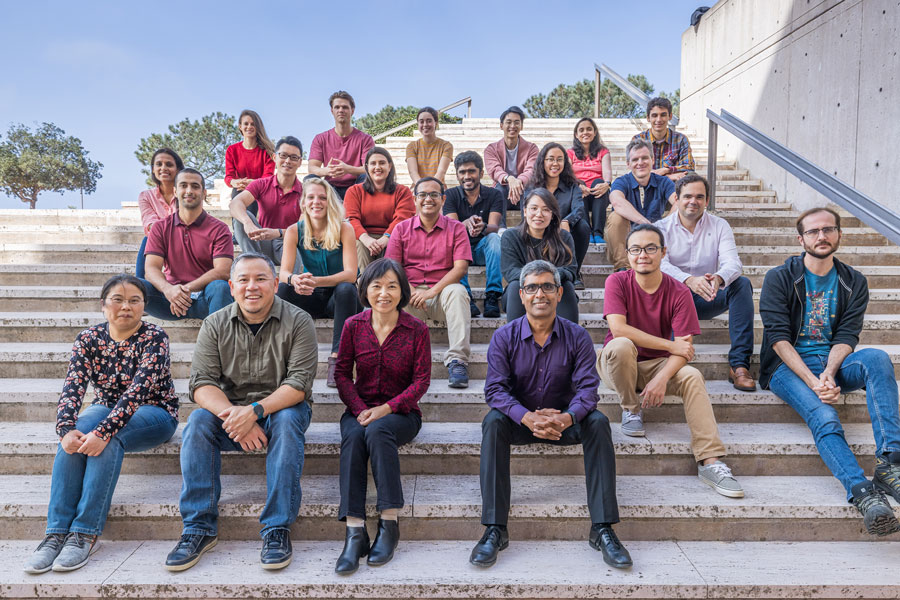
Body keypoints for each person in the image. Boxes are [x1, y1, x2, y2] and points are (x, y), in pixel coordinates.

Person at [471, 260, 631, 569]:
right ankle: (494, 529)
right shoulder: (503, 338)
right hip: (520, 423)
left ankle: (603, 529)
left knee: (598, 422)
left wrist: (567, 418)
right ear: (521, 295)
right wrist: (527, 417)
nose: (539, 294)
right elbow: (495, 391)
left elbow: (588, 391)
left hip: (564, 423)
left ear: (559, 293)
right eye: (531, 287)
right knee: (492, 422)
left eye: (547, 286)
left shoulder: (578, 337)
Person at [165, 252, 318, 571]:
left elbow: (299, 384)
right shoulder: (215, 323)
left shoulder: (298, 321)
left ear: (276, 284)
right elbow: (201, 383)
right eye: (244, 280)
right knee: (197, 421)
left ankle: (277, 528)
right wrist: (238, 417)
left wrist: (255, 411)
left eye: (261, 279)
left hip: (281, 409)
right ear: (231, 287)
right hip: (231, 414)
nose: (252, 286)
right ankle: (198, 528)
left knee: (289, 419)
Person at [760, 207, 900, 537]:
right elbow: (778, 338)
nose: (821, 236)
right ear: (801, 239)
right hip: (786, 368)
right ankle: (863, 493)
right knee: (824, 417)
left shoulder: (853, 281)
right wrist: (814, 382)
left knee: (877, 359)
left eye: (828, 229)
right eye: (813, 231)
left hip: (831, 363)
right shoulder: (779, 277)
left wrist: (829, 372)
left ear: (839, 234)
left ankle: (890, 464)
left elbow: (847, 336)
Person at [24, 275, 178, 574]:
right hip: (105, 406)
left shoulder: (155, 337)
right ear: (103, 305)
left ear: (144, 307)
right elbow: (73, 387)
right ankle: (56, 533)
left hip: (155, 413)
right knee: (77, 433)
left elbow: (138, 392)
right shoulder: (88, 338)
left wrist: (104, 431)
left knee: (109, 439)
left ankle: (84, 533)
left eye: (135, 300)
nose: (126, 307)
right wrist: (66, 429)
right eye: (117, 300)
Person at [597, 224, 744, 498]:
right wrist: (669, 345)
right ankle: (631, 408)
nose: (643, 255)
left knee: (692, 376)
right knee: (621, 345)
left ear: (664, 252)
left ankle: (710, 460)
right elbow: (618, 329)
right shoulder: (616, 281)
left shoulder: (678, 291)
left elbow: (685, 348)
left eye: (651, 248)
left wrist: (661, 378)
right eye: (636, 249)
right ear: (628, 255)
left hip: (656, 366)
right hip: (617, 365)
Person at [333, 258, 431, 574]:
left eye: (391, 286)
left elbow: (421, 382)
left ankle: (389, 523)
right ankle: (355, 531)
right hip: (359, 408)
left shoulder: (417, 329)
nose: (384, 293)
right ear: (366, 290)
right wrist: (361, 409)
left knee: (378, 431)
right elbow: (342, 374)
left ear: (402, 290)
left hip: (401, 413)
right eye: (376, 286)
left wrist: (386, 409)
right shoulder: (353, 325)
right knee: (354, 434)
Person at [656, 173, 756, 391]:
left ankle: (739, 365)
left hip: (707, 295)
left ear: (707, 201)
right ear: (677, 198)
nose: (694, 201)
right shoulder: (661, 228)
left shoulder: (720, 226)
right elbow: (659, 264)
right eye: (688, 196)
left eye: (700, 197)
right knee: (663, 284)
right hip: (672, 300)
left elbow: (733, 263)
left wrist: (718, 278)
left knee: (741, 284)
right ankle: (672, 364)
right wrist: (688, 280)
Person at [385, 177, 472, 388]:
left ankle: (457, 360)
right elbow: (393, 267)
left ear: (443, 199)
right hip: (411, 295)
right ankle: (398, 362)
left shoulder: (457, 228)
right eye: (422, 194)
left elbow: (460, 267)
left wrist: (431, 292)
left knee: (458, 291)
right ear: (415, 199)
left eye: (434, 194)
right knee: (390, 293)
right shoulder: (401, 229)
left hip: (441, 295)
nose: (428, 199)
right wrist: (414, 291)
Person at [277, 177, 361, 388]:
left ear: (329, 202)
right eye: (311, 197)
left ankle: (338, 361)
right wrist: (295, 279)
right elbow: (283, 273)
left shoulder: (345, 228)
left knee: (346, 289)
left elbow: (351, 274)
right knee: (284, 289)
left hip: (341, 299)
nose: (316, 202)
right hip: (311, 298)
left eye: (322, 198)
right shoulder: (294, 230)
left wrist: (317, 281)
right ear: (303, 202)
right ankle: (285, 355)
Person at [140, 168, 233, 320]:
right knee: (134, 286)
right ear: (175, 191)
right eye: (183, 185)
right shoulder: (160, 227)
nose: (189, 190)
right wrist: (168, 290)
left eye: (195, 186)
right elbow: (151, 269)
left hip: (206, 299)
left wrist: (185, 289)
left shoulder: (219, 229)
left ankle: (220, 341)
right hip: (169, 301)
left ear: (204, 193)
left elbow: (223, 271)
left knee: (221, 287)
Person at [501, 188, 578, 323]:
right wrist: (540, 280)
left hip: (553, 292)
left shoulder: (564, 237)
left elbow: (571, 270)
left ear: (552, 214)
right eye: (534, 208)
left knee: (566, 286)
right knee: (514, 286)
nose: (539, 214)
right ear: (525, 211)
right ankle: (516, 341)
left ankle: (568, 341)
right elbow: (510, 271)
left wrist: (547, 282)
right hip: (523, 291)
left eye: (546, 210)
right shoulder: (511, 236)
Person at [443, 151, 504, 318]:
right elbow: (451, 227)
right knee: (451, 241)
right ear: (457, 175)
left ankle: (492, 295)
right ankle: (466, 297)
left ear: (481, 173)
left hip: (483, 250)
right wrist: (466, 223)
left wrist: (482, 226)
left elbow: (494, 226)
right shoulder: (450, 195)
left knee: (493, 239)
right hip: (461, 252)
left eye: (471, 171)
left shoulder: (494, 194)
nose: (467, 176)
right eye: (462, 172)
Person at [230, 136, 304, 268]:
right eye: (283, 155)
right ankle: (255, 264)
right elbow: (235, 203)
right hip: (262, 242)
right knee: (240, 218)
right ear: (275, 158)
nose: (287, 161)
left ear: (299, 162)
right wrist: (248, 223)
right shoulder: (262, 184)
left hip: (288, 243)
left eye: (293, 158)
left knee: (294, 253)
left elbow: (305, 229)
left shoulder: (305, 192)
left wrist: (278, 233)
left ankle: (292, 286)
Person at [605, 139, 676, 271]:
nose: (640, 163)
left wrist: (664, 224)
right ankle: (623, 270)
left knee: (681, 215)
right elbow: (616, 201)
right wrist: (646, 224)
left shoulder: (664, 182)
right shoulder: (621, 182)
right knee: (616, 217)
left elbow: (679, 202)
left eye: (644, 158)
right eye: (635, 159)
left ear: (652, 160)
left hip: (653, 241)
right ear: (628, 164)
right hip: (624, 243)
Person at [344, 147, 415, 272]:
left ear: (390, 166)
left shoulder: (403, 191)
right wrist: (366, 239)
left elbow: (403, 218)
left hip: (392, 237)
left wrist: (385, 239)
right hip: (363, 238)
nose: (377, 167)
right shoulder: (354, 191)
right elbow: (351, 218)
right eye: (373, 163)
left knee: (394, 245)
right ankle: (364, 285)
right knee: (358, 244)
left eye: (382, 163)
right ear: (367, 167)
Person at [531, 142, 590, 289]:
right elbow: (527, 211)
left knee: (582, 226)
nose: (555, 163)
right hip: (539, 229)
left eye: (559, 159)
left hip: (564, 232)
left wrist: (566, 221)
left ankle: (574, 271)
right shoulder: (532, 187)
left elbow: (579, 209)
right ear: (543, 161)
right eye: (550, 159)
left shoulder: (572, 187)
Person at [308, 91, 375, 198]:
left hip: (356, 185)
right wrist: (327, 170)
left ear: (352, 111)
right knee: (310, 179)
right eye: (337, 107)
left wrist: (347, 169)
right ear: (332, 111)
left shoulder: (365, 139)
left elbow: (369, 168)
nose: (341, 110)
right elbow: (312, 168)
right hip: (330, 187)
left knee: (366, 178)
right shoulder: (320, 138)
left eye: (345, 107)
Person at [483, 106, 539, 220]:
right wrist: (510, 179)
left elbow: (531, 170)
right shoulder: (491, 149)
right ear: (501, 126)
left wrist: (518, 181)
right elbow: (495, 170)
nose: (512, 126)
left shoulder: (532, 148)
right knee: (499, 188)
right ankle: (500, 230)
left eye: (516, 122)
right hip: (503, 195)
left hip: (524, 193)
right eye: (508, 122)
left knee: (530, 187)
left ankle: (528, 229)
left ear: (521, 126)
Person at [137, 148, 183, 278]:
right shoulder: (145, 196)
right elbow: (150, 224)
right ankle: (140, 284)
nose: (163, 168)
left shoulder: (185, 193)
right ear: (152, 169)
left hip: (185, 242)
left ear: (178, 170)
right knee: (148, 240)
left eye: (169, 164)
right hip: (158, 241)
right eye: (159, 164)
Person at [224, 109, 276, 221]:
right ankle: (238, 234)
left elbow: (268, 178)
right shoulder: (232, 150)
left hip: (262, 191)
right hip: (239, 189)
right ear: (240, 126)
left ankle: (241, 234)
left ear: (258, 127)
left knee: (250, 191)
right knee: (239, 192)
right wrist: (235, 182)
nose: (249, 127)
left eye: (253, 124)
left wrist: (252, 183)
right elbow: (229, 177)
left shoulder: (267, 151)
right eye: (246, 124)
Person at [567, 117, 611, 243]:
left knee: (599, 182)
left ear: (595, 132)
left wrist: (606, 184)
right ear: (576, 134)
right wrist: (578, 185)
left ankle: (597, 233)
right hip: (581, 193)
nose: (585, 132)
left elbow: (607, 173)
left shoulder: (603, 151)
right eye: (581, 130)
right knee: (579, 184)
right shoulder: (570, 153)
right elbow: (568, 174)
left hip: (599, 194)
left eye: (589, 129)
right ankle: (587, 234)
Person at [631, 97, 695, 182]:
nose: (659, 119)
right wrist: (668, 176)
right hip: (647, 185)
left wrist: (666, 170)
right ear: (648, 118)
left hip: (672, 187)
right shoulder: (639, 139)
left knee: (691, 176)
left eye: (663, 115)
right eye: (654, 115)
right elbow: (635, 169)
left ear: (670, 116)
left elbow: (689, 166)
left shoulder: (681, 139)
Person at [405, 106, 453, 183]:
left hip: (438, 187)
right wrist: (422, 188)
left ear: (436, 123)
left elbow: (441, 172)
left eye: (429, 121)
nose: (425, 124)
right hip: (418, 187)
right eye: (421, 121)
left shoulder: (446, 146)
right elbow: (413, 172)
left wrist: (430, 188)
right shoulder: (412, 146)